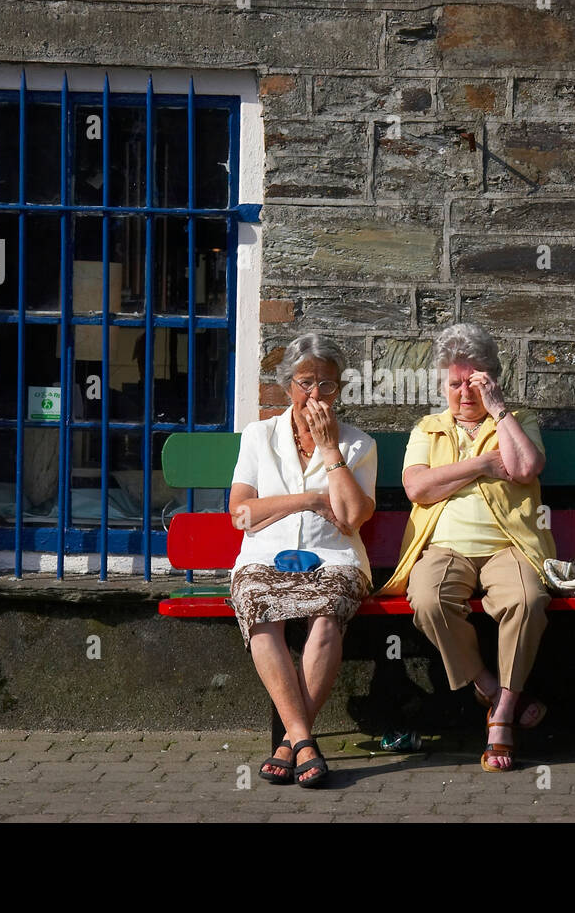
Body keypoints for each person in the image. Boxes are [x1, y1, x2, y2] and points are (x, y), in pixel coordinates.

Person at [379, 323, 556, 772]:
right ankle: (493, 690)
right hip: (443, 547)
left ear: (492, 380)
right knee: (427, 598)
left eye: (474, 382)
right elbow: (417, 487)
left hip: (509, 544)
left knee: (528, 598)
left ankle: (500, 718)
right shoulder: (429, 429)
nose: (463, 392)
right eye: (454, 383)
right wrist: (480, 464)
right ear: (443, 385)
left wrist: (499, 411)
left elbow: (526, 467)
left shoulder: (518, 421)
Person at [228, 334, 377, 788]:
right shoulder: (260, 436)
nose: (316, 396)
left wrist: (331, 451)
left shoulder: (358, 446)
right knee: (257, 604)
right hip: (264, 556)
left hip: (333, 558)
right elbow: (241, 514)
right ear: (287, 386)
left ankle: (289, 743)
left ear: (340, 390)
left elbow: (351, 518)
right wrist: (310, 500)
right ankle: (304, 740)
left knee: (328, 612)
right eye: (306, 383)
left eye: (327, 386)